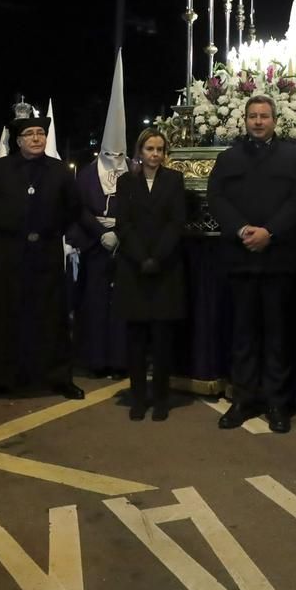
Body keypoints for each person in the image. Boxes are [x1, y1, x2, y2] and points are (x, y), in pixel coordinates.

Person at [207, 95, 296, 433]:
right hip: (239, 259)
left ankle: (278, 403)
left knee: (278, 334)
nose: (258, 122)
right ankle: (242, 400)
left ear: (275, 120)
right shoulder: (228, 158)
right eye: (252, 116)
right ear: (245, 120)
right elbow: (216, 198)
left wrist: (270, 232)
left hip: (279, 259)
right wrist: (242, 230)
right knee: (243, 334)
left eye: (264, 116)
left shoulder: (294, 157)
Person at [0, 103, 87, 399]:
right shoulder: (0, 169)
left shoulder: (59, 171)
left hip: (46, 254)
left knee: (50, 318)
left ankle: (58, 377)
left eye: (40, 134)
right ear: (19, 140)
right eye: (30, 134)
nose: (36, 138)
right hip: (6, 253)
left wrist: (67, 237)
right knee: (2, 316)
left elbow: (74, 209)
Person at [114, 127, 187, 420]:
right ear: (139, 152)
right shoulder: (126, 182)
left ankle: (160, 398)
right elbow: (124, 222)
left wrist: (157, 256)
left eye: (159, 149)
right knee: (136, 338)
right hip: (134, 267)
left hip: (165, 268)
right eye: (149, 149)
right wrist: (141, 256)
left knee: (161, 338)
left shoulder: (173, 180)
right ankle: (138, 398)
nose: (154, 154)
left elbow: (176, 221)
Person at [70, 52, 130, 375]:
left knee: (120, 306)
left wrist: (119, 230)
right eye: (109, 153)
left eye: (119, 153)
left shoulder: (132, 172)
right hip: (95, 248)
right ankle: (94, 359)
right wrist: (99, 231)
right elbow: (77, 207)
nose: (114, 158)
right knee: (93, 305)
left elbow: (138, 209)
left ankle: (120, 360)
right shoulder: (86, 174)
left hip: (123, 250)